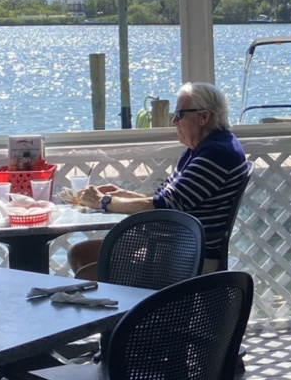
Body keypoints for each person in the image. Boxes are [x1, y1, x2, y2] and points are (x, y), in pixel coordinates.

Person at [67, 82, 250, 276]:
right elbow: (165, 195)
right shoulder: (199, 149)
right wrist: (124, 195)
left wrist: (104, 202)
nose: (173, 121)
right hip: (171, 242)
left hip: (190, 255)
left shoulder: (217, 154)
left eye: (179, 114)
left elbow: (165, 204)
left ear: (204, 116)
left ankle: (138, 306)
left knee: (89, 274)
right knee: (80, 253)